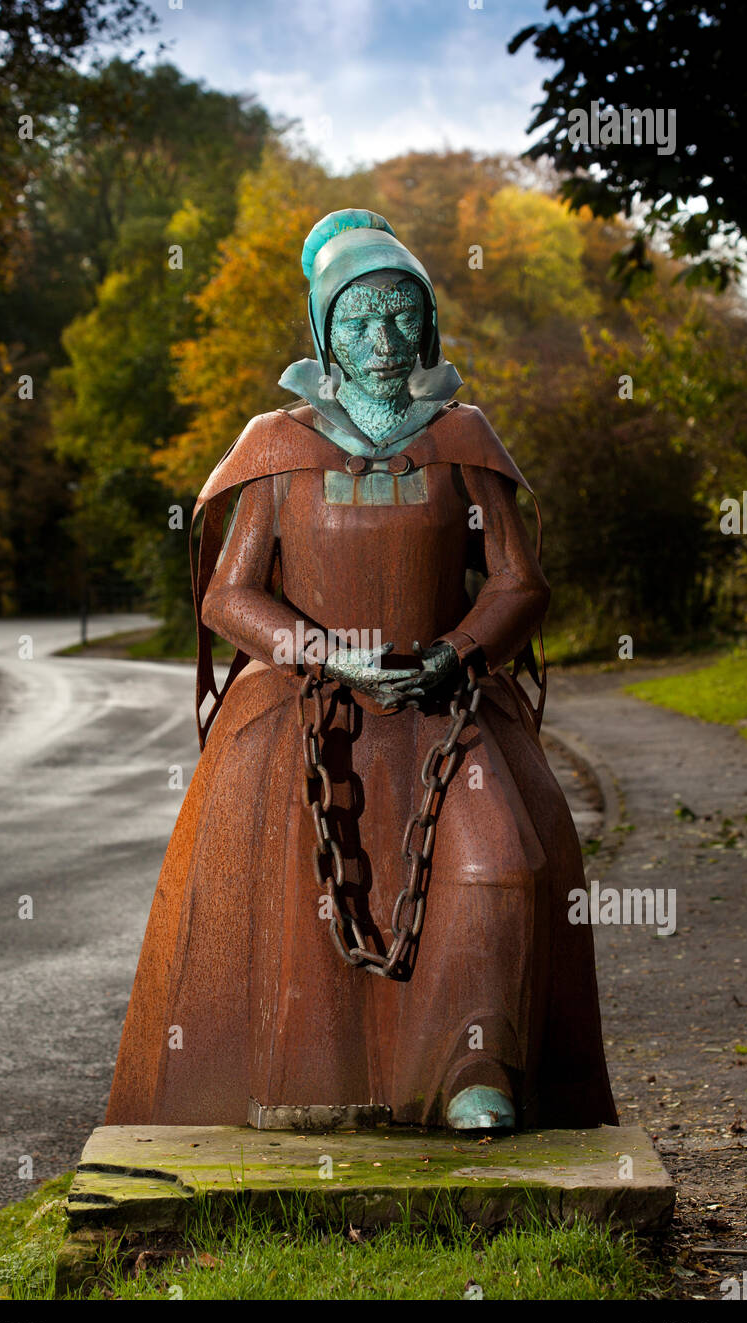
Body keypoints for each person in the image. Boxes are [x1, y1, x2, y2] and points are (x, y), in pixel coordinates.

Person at [106, 208, 617, 1133]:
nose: (381, 340)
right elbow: (231, 595)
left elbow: (517, 580)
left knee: (500, 861)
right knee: (299, 902)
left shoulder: (463, 439)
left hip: (446, 701)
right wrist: (325, 654)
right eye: (356, 319)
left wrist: (453, 653)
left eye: (398, 315)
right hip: (306, 708)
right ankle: (317, 1089)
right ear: (322, 333)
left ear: (426, 325)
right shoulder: (278, 448)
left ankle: (474, 1070)